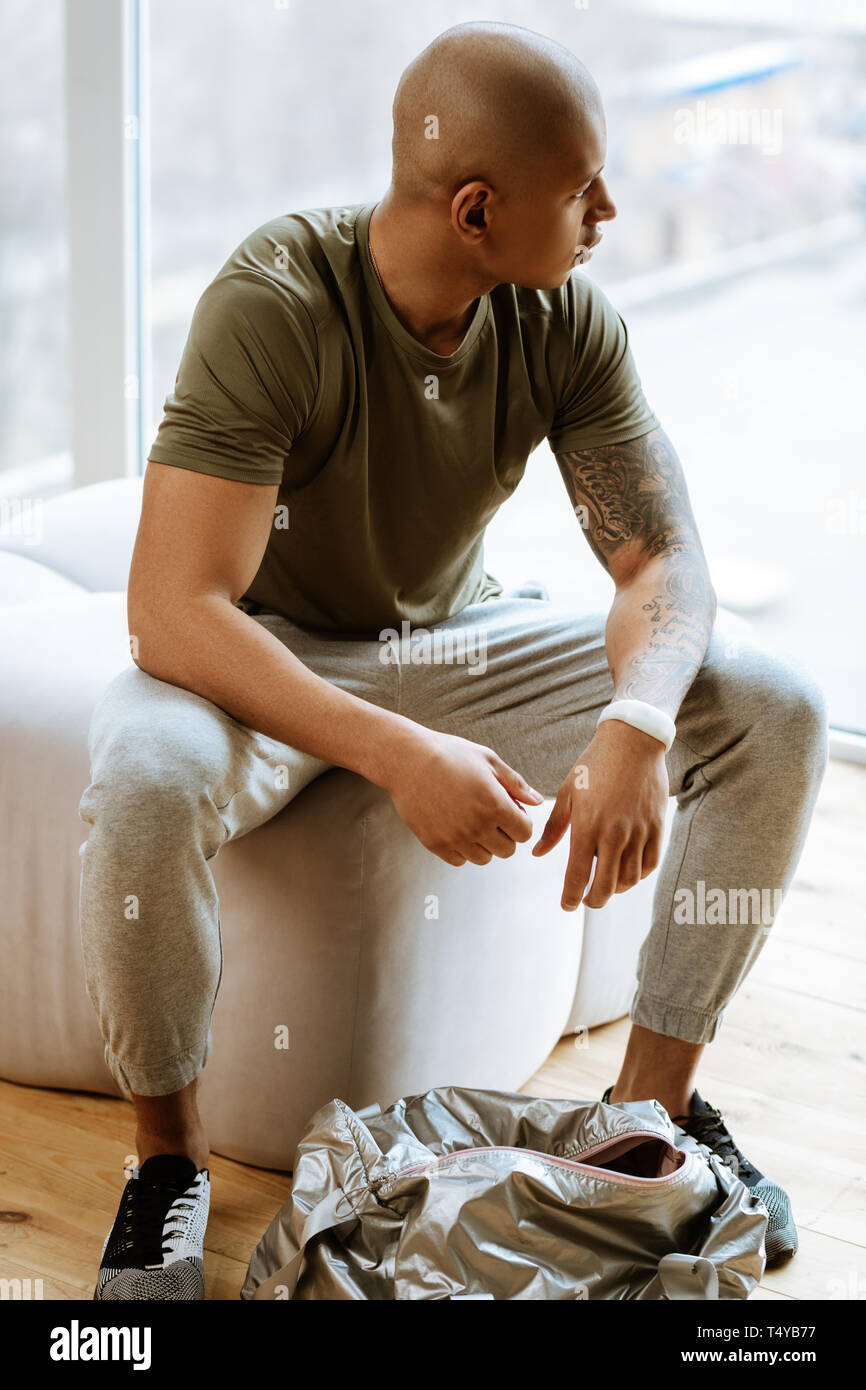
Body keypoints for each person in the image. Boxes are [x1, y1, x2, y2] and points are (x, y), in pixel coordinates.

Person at [80, 21, 828, 1300]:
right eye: (580, 186)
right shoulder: (274, 303)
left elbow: (665, 560)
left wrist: (637, 723)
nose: (606, 208)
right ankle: (166, 1169)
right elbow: (171, 612)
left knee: (773, 706)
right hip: (256, 654)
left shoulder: (559, 318)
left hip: (450, 637)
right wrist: (395, 755)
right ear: (475, 208)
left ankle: (644, 1118)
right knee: (146, 779)